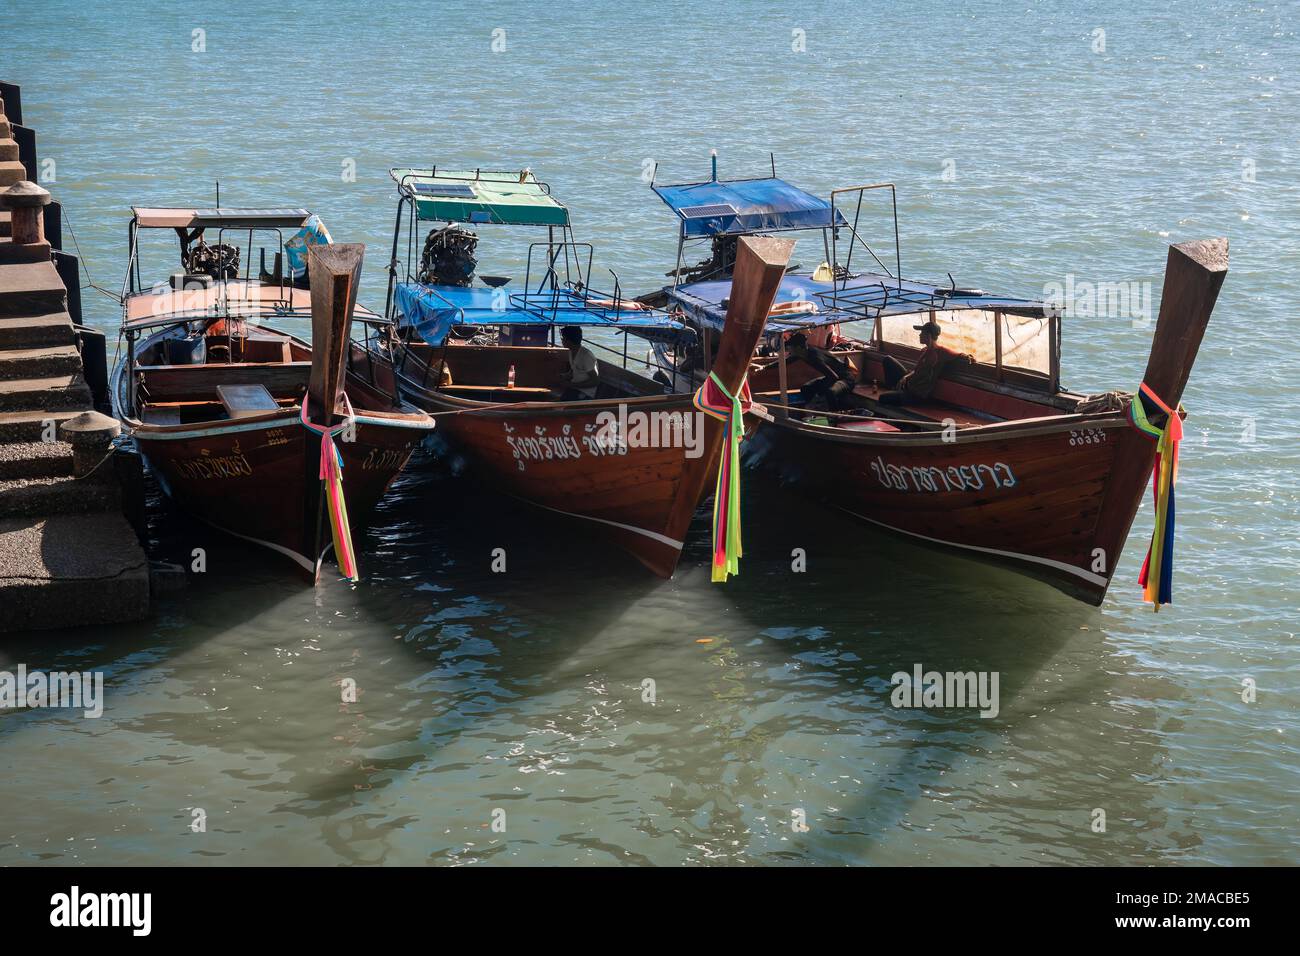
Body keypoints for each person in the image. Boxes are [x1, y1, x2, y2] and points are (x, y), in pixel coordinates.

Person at [877, 320, 975, 405]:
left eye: (922, 333)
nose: (919, 335)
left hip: (916, 395)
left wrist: (968, 357)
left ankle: (896, 392)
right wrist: (905, 377)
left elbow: (960, 355)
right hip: (909, 385)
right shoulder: (925, 350)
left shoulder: (941, 352)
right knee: (888, 360)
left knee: (883, 398)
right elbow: (916, 371)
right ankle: (895, 389)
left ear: (928, 335)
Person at [786, 332, 859, 411]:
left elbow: (834, 377)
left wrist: (821, 392)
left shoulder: (814, 357)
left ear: (798, 348)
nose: (788, 349)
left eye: (790, 347)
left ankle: (834, 415)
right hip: (833, 377)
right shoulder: (802, 352)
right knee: (806, 388)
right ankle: (812, 410)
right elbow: (786, 361)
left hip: (846, 379)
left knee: (830, 392)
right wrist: (770, 366)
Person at [557, 325, 599, 400]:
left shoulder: (586, 356)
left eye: (563, 338)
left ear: (569, 341)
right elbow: (574, 370)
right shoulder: (571, 351)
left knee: (558, 406)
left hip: (585, 393)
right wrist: (563, 376)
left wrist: (571, 385)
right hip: (574, 388)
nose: (562, 340)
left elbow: (595, 381)